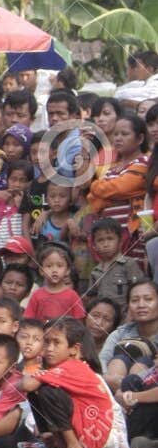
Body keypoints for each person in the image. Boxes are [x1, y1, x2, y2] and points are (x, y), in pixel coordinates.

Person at [18, 319, 114, 448]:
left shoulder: (71, 367)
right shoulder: (58, 368)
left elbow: (26, 385)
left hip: (92, 432)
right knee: (37, 392)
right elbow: (26, 387)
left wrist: (30, 372)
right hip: (83, 426)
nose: (50, 348)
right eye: (47, 342)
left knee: (47, 391)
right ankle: (60, 447)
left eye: (56, 343)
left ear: (74, 349)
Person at [86, 113, 149, 261]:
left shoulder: (143, 164)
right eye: (116, 134)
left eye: (124, 134)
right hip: (108, 240)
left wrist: (96, 186)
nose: (118, 138)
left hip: (132, 237)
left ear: (140, 138)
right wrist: (110, 196)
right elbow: (93, 199)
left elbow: (121, 188)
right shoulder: (112, 169)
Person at [82, 217, 144, 313]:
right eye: (100, 240)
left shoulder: (128, 264)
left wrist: (130, 315)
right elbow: (92, 297)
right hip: (105, 318)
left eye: (110, 239)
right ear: (94, 246)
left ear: (120, 242)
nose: (105, 244)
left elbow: (139, 291)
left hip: (126, 316)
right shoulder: (95, 271)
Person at [28, 244, 86, 323]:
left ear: (67, 270)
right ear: (41, 271)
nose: (54, 270)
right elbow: (29, 321)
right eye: (49, 266)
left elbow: (79, 322)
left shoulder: (73, 296)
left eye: (59, 266)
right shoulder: (36, 295)